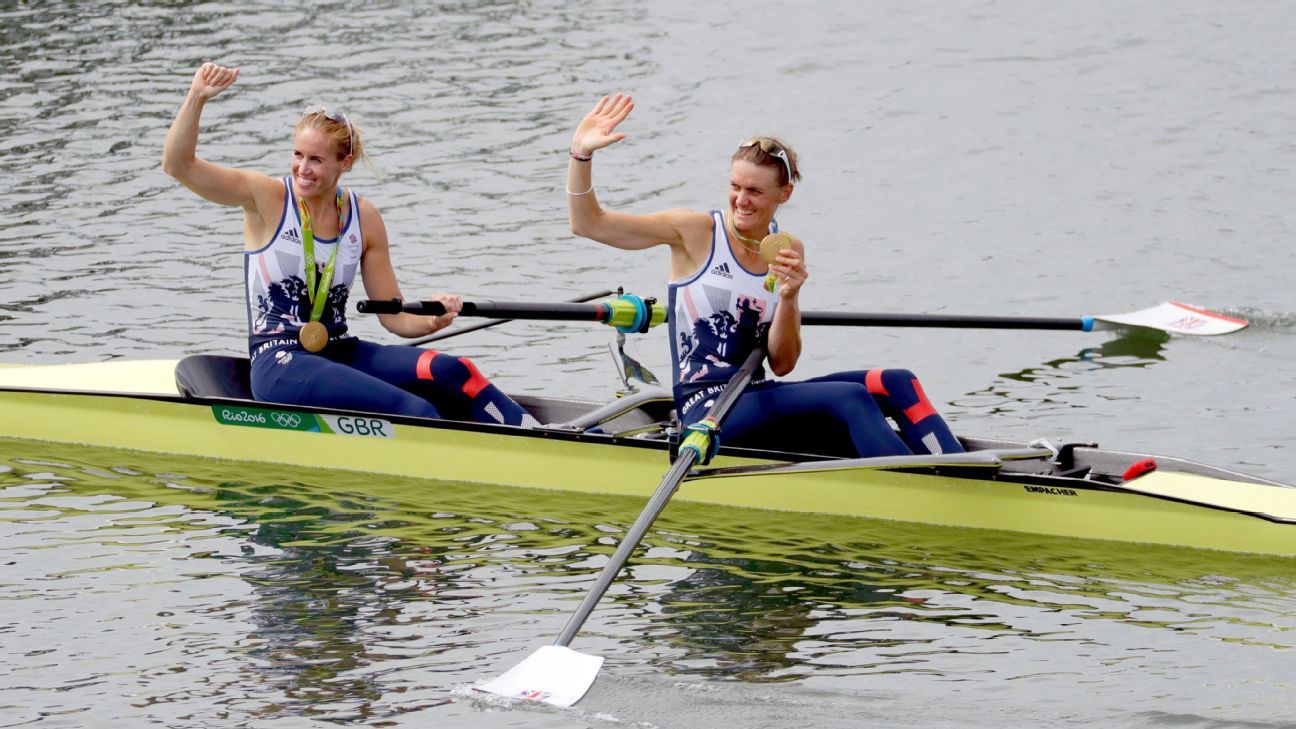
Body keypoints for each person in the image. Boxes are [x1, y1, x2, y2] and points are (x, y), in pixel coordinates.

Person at [564, 94, 963, 457]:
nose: (741, 199)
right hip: (707, 408)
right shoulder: (694, 231)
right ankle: (919, 490)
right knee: (849, 399)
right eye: (735, 186)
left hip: (755, 392)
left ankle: (961, 475)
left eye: (754, 191)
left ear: (783, 194)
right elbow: (589, 224)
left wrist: (789, 297)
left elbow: (783, 363)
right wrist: (581, 156)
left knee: (895, 381)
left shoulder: (787, 249)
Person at [162, 62, 537, 427]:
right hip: (280, 360)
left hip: (340, 350)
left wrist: (434, 318)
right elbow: (179, 165)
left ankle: (544, 436)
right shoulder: (266, 197)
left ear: (345, 162)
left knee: (455, 371)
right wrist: (197, 97)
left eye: (316, 160)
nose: (302, 169)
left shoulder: (365, 217)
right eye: (297, 155)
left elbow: (394, 316)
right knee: (412, 408)